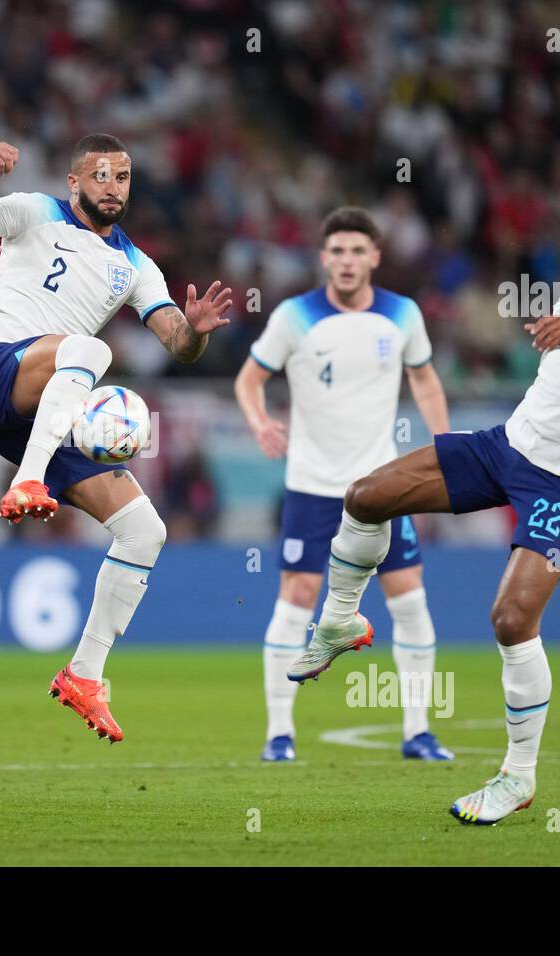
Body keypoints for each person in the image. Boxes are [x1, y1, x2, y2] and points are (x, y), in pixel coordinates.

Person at [290, 169, 560, 825]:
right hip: (507, 445)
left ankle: (517, 778)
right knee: (365, 496)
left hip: (559, 482)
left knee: (510, 621)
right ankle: (341, 621)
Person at [0, 134, 233, 743]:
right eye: (100, 175)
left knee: (146, 530)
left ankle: (84, 674)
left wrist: (196, 334)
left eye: (122, 176)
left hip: (45, 404)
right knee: (92, 348)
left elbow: (178, 341)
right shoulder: (36, 210)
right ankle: (28, 480)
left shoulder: (138, 266)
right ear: (74, 182)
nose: (113, 186)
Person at [236, 206, 452, 763]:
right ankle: (279, 734)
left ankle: (418, 731)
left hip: (383, 486)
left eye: (358, 250)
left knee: (409, 599)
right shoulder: (294, 316)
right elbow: (250, 378)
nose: (348, 261)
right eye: (337, 251)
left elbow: (424, 377)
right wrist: (260, 422)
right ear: (323, 258)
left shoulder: (402, 315)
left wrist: (446, 442)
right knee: (297, 600)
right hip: (311, 487)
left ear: (376, 256)